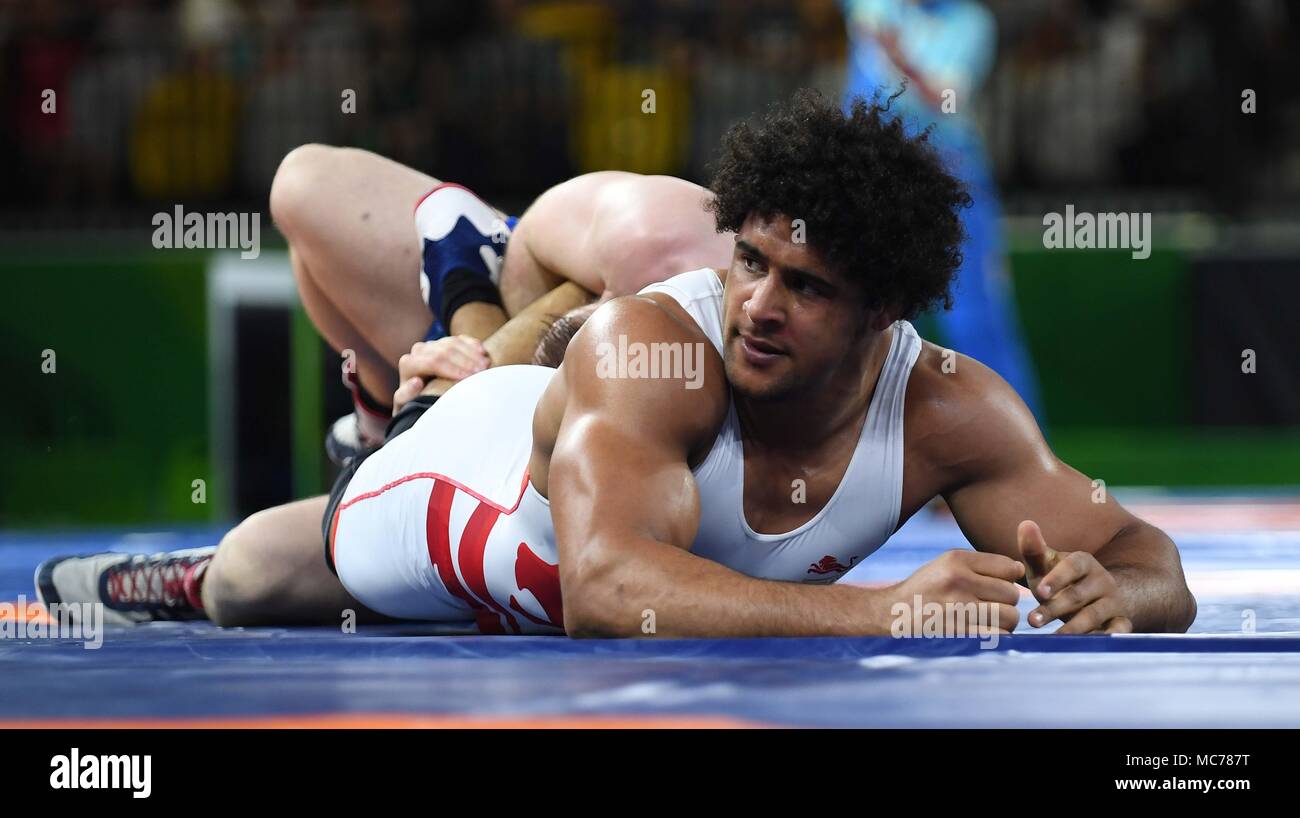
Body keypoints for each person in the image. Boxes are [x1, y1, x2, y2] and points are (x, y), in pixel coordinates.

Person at [36, 158, 733, 627]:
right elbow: (512, 364)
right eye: (763, 270)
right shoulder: (658, 262)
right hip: (510, 383)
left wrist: (462, 327)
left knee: (252, 568)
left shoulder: (714, 320)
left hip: (528, 443)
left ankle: (377, 426)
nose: (768, 304)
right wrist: (451, 360)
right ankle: (378, 428)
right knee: (301, 185)